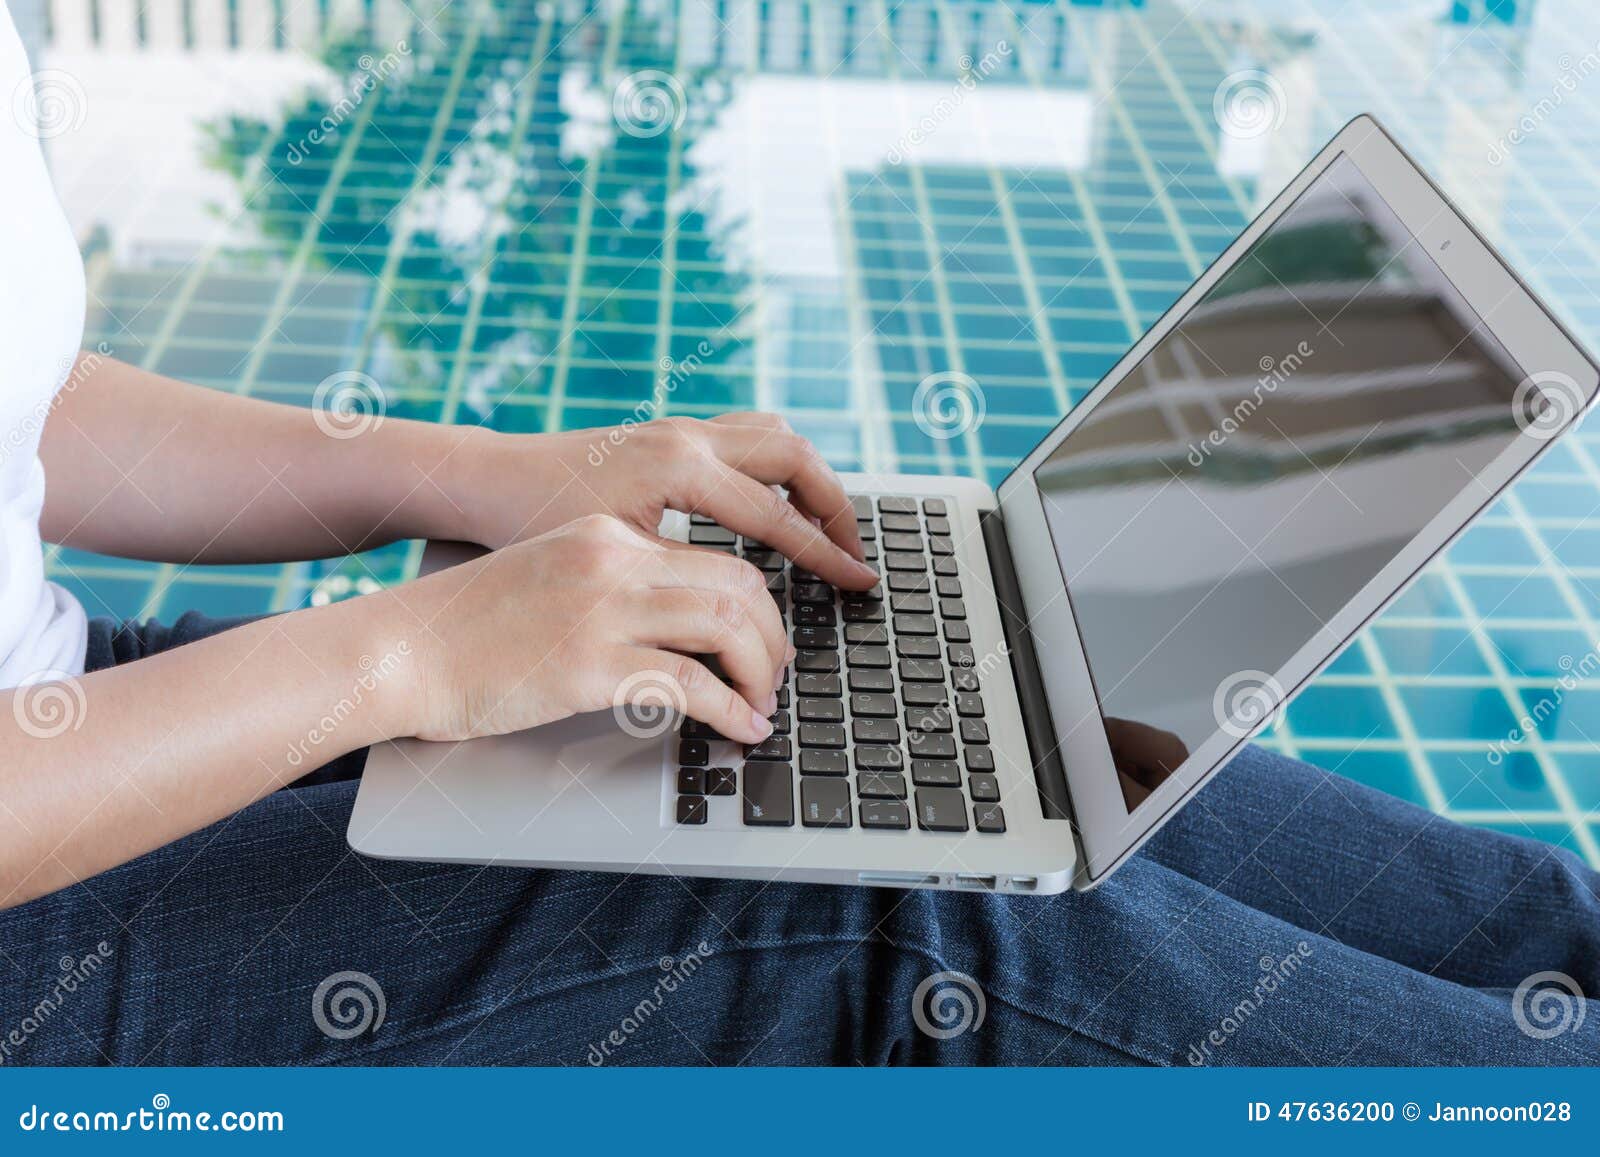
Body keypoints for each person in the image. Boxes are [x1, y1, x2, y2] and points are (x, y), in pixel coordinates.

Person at [2, 4, 1596, 1066]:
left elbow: (33, 408)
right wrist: (409, 652)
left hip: (69, 705)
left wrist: (480, 475)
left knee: (1054, 754)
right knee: (898, 899)